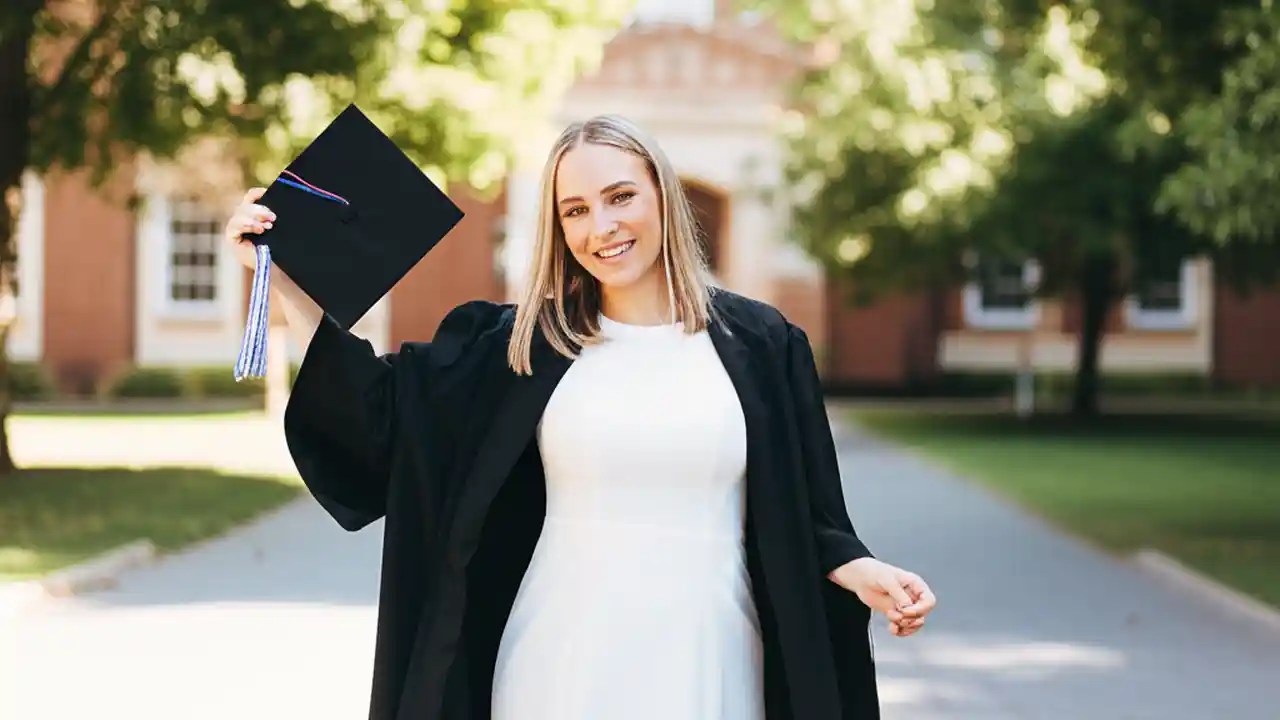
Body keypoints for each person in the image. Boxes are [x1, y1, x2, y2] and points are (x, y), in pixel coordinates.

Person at [223, 114, 936, 720]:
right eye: (575, 209)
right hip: (559, 657)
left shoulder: (763, 347)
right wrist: (289, 284)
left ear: (663, 194)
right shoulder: (520, 348)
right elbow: (383, 420)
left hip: (711, 652)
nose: (602, 226)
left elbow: (805, 510)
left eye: (621, 196)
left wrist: (858, 567)